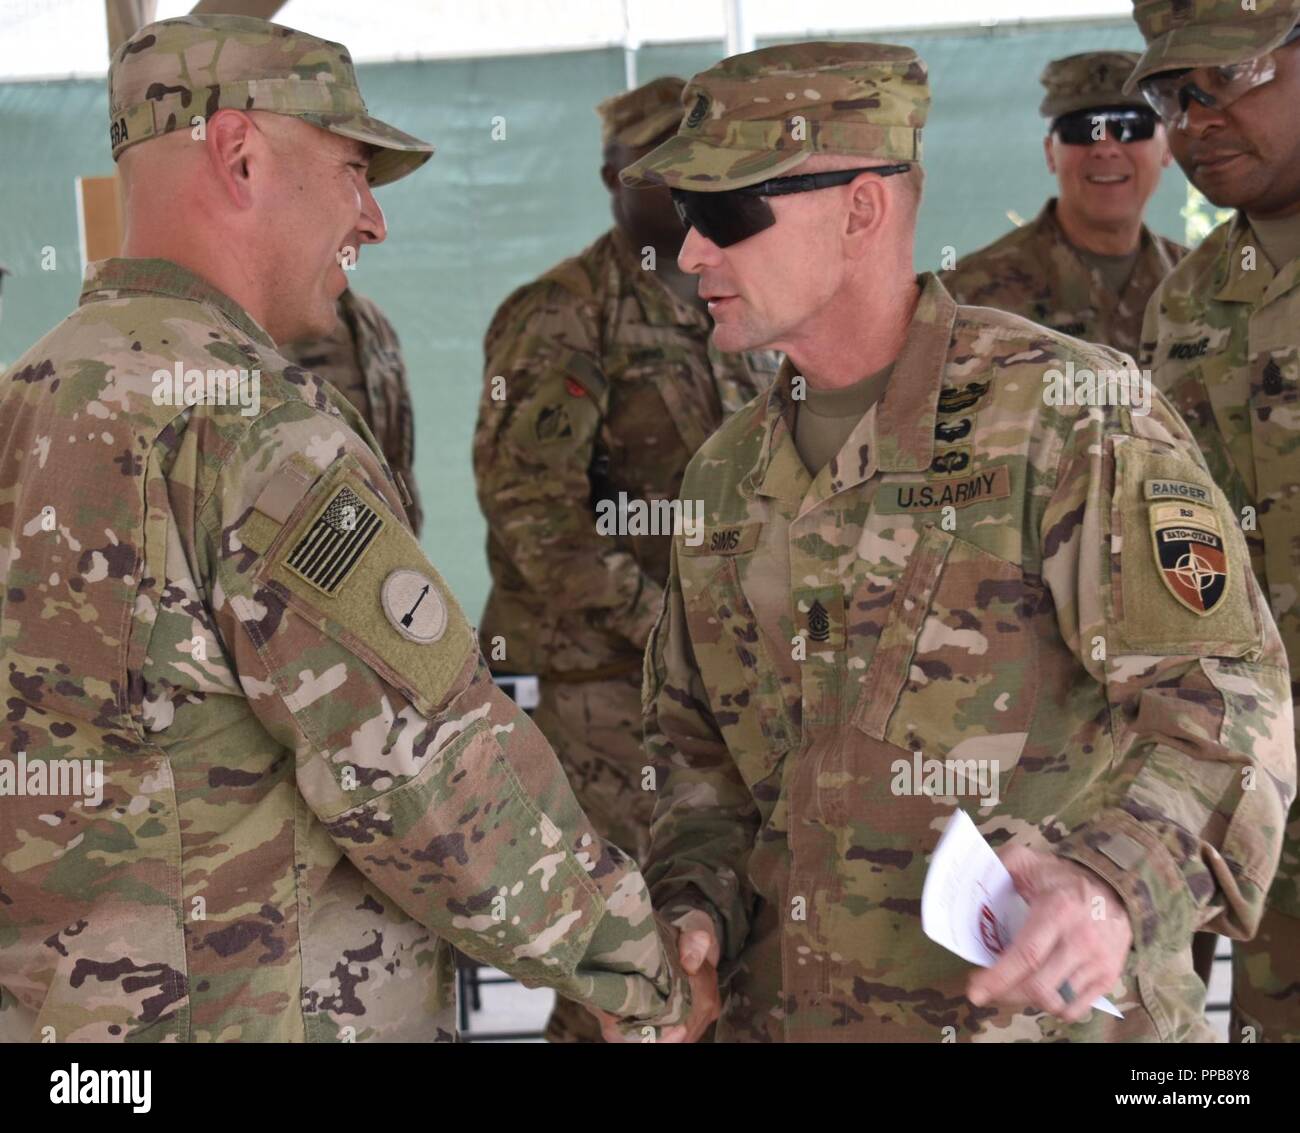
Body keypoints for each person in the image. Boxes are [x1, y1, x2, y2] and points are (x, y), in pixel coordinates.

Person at [0, 13, 696, 1043]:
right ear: (240, 155)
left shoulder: (26, 402)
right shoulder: (251, 425)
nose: (372, 219)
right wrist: (641, 967)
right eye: (351, 170)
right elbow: (424, 769)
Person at [619, 40, 1295, 1042]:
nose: (690, 253)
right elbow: (696, 761)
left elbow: (1228, 700)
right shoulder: (724, 476)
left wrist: (1108, 882)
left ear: (861, 208)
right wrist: (695, 911)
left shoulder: (1064, 414)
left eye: (726, 213)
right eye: (685, 215)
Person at [473, 75, 777, 1041]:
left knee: (721, 936)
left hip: (726, 688)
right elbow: (536, 519)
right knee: (620, 950)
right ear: (616, 177)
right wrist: (675, 633)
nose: (689, 191)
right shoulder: (562, 315)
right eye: (664, 172)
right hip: (607, 692)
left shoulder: (735, 307)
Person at [1128, 0, 1300, 1043]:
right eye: (1171, 96)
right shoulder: (1188, 304)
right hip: (1266, 798)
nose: (1194, 122)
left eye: (1224, 80)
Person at [942, 51, 1185, 358]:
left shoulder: (1203, 288)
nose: (1105, 148)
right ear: (1049, 153)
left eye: (1131, 126)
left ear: (1169, 146)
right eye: (1080, 130)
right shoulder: (965, 298)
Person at [284, 288, 423, 536]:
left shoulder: (368, 317)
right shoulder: (273, 329)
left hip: (387, 542)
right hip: (311, 545)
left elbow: (398, 456)